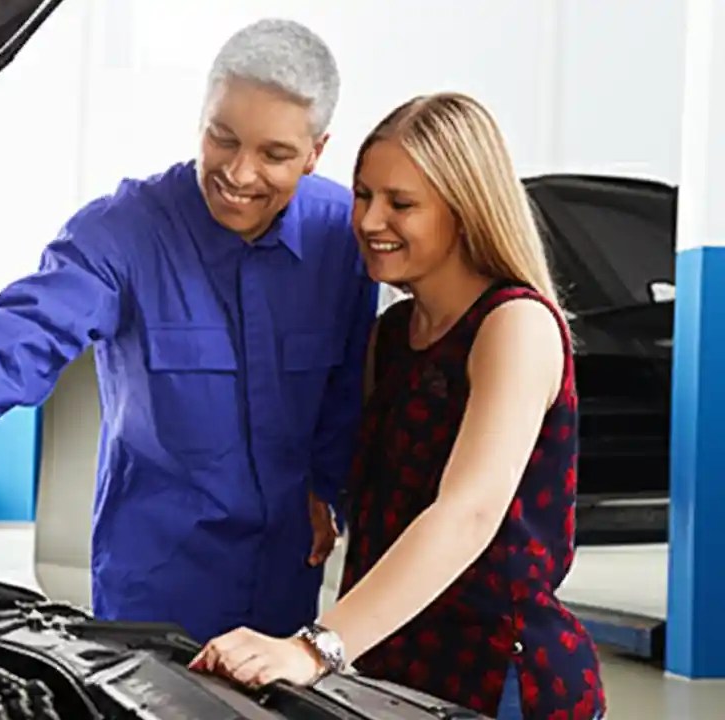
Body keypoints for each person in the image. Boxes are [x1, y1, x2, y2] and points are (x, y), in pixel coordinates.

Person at [0, 18, 378, 645]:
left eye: (275, 154)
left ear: (316, 151)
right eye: (222, 138)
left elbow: (347, 379)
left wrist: (325, 483)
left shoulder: (342, 237)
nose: (240, 173)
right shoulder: (124, 232)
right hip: (158, 585)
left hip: (286, 581)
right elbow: (19, 335)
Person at [190, 93, 606, 720]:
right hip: (396, 671)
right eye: (363, 196)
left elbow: (467, 513)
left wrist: (316, 648)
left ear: (465, 209)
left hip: (501, 680)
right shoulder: (393, 334)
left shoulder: (514, 324)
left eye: (401, 203)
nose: (369, 220)